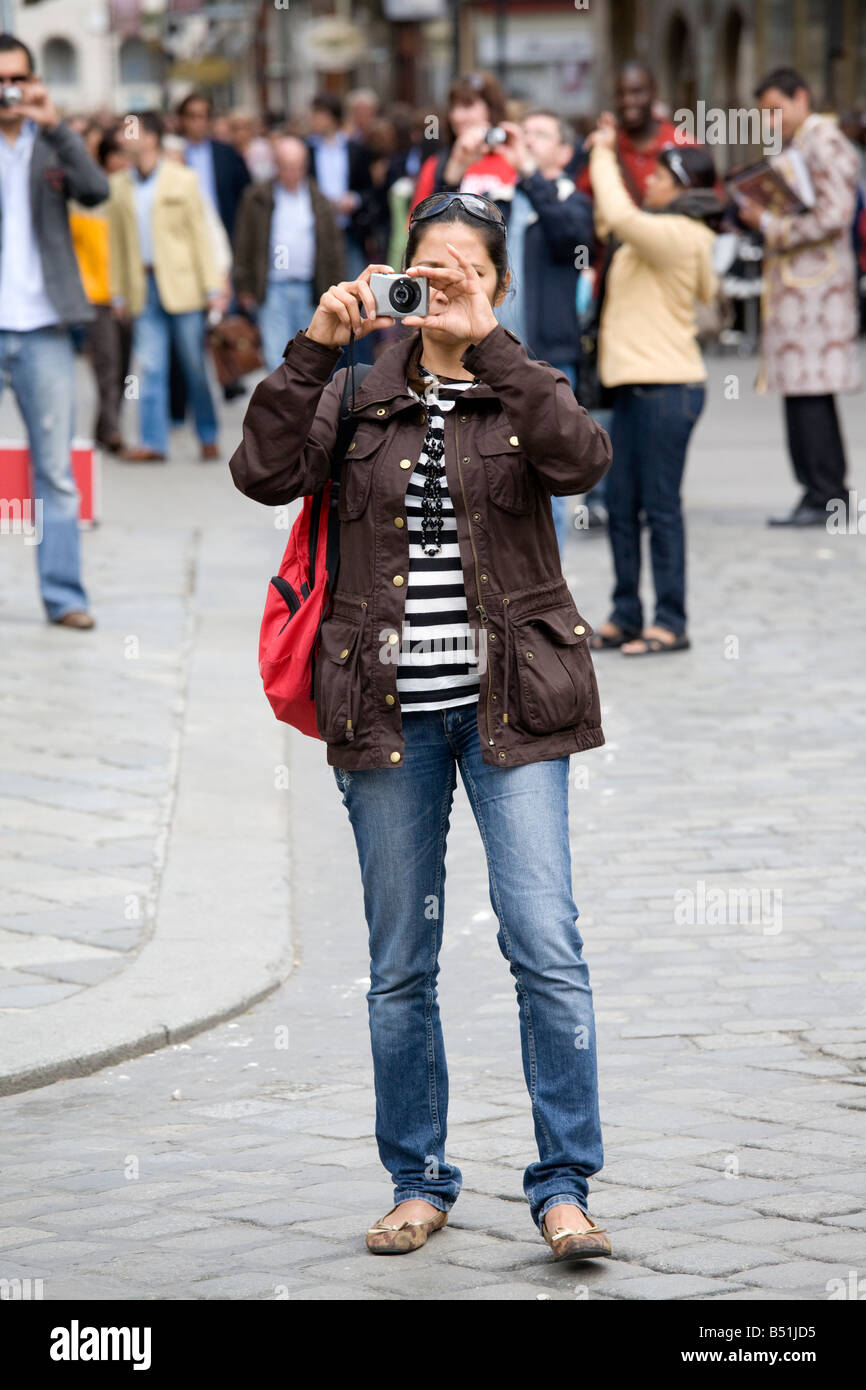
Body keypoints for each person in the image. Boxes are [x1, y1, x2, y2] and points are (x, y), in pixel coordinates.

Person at [229, 191, 613, 1262]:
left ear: (493, 282)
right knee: (400, 960)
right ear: (394, 277)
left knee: (546, 945)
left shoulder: (523, 386)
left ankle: (563, 1185)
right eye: (424, 268)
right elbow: (260, 473)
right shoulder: (353, 389)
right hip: (385, 713)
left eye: (464, 271)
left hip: (515, 709)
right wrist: (311, 346)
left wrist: (488, 344)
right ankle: (416, 1177)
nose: (439, 284)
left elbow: (582, 460)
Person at [586, 116, 721, 656]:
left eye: (662, 177)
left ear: (684, 188)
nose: (651, 183)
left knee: (660, 507)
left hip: (669, 388)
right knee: (622, 504)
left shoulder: (679, 234)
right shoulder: (655, 232)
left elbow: (618, 212)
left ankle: (671, 619)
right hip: (635, 387)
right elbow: (608, 221)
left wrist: (602, 150)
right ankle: (626, 612)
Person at [0, 32, 109, 630]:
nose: (9, 91)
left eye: (17, 79)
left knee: (55, 472)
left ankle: (64, 596)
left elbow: (96, 190)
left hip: (43, 327)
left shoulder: (51, 142)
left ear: (34, 81)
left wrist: (57, 125)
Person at [736, 68, 861, 527]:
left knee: (811, 393)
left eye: (775, 109)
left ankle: (825, 495)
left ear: (801, 97)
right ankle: (818, 492)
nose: (771, 121)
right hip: (800, 290)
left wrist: (770, 225)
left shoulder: (824, 141)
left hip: (818, 293)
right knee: (801, 394)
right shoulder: (802, 143)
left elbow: (836, 214)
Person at [494, 109, 594, 554]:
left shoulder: (571, 199)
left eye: (540, 134)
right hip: (495, 359)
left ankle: (548, 589)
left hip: (549, 356)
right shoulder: (505, 201)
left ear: (564, 151)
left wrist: (532, 177)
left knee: (549, 474)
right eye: (525, 132)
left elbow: (571, 240)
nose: (528, 140)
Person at [108, 110, 225, 463]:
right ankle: (154, 443)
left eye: (130, 131)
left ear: (150, 138)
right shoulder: (118, 185)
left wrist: (213, 287)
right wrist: (117, 292)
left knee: (193, 365)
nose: (122, 137)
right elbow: (116, 244)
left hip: (183, 284)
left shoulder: (183, 179)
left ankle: (208, 434)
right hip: (142, 286)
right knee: (151, 368)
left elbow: (199, 235)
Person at [233, 135, 345, 372]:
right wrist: (244, 285)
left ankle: (307, 410)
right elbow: (245, 242)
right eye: (285, 168)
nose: (291, 174)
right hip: (273, 288)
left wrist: (337, 288)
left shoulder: (318, 199)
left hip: (310, 289)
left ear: (304, 167)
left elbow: (332, 248)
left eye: (296, 168)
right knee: (276, 358)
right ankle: (280, 409)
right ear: (276, 166)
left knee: (311, 357)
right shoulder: (257, 197)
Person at [71, 127, 132, 454]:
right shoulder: (85, 198)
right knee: (107, 363)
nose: (124, 162)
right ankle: (111, 431)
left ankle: (103, 426)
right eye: (117, 156)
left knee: (122, 367)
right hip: (96, 294)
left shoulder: (131, 196)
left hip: (124, 293)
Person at [410, 71, 517, 212]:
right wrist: (449, 180)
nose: (456, 116)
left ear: (491, 109)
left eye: (467, 106)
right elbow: (417, 225)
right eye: (453, 108)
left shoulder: (514, 156)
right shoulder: (438, 164)